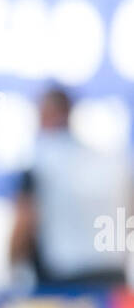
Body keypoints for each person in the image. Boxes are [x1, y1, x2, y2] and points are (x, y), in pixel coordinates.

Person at [10, 87, 131, 289]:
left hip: (62, 283)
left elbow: (25, 222)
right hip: (113, 279)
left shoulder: (41, 161)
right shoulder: (113, 163)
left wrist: (11, 271)